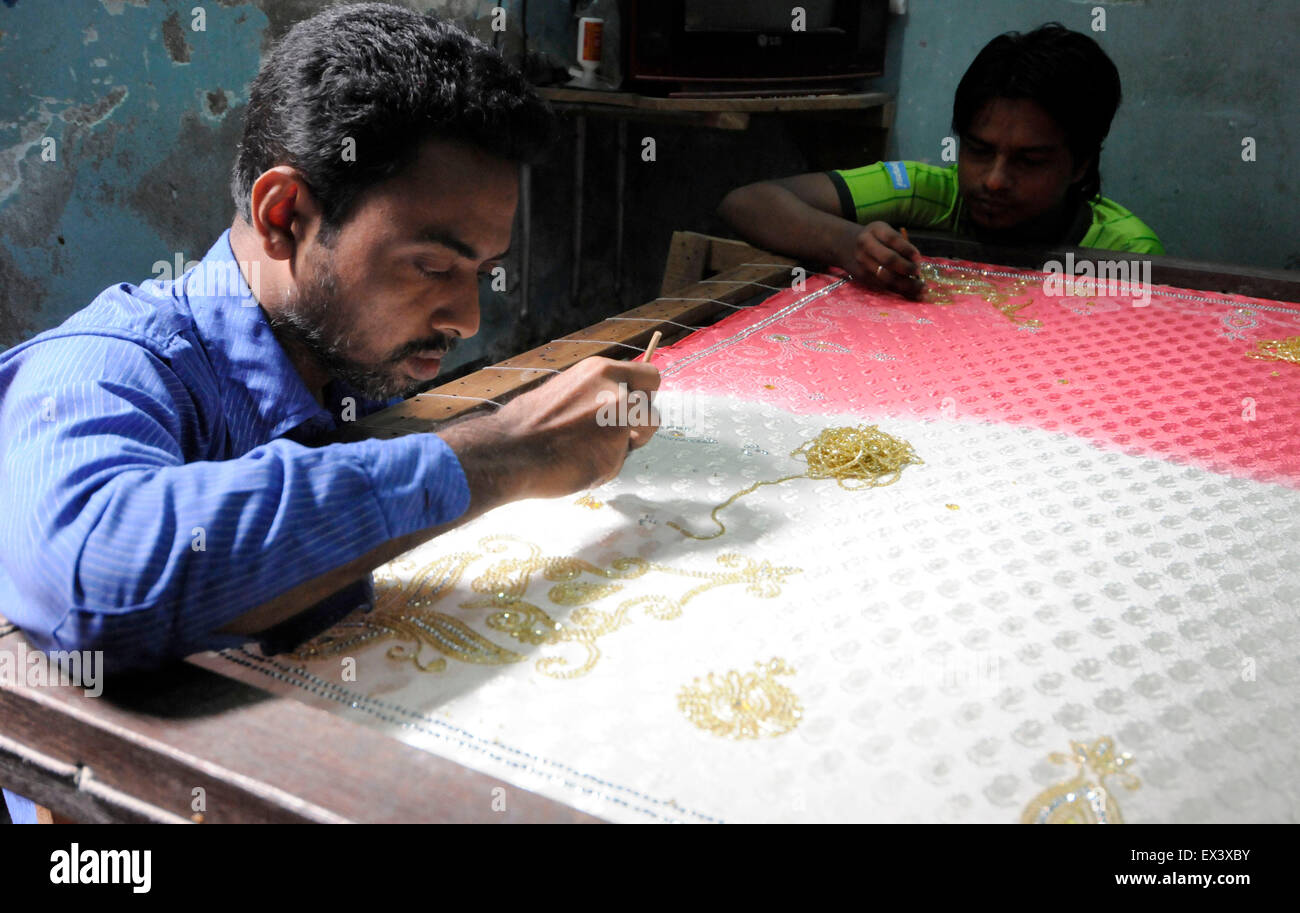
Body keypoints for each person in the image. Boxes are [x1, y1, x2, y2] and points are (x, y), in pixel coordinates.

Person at [0, 3, 660, 820]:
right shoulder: (105, 363)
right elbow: (98, 574)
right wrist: (503, 451)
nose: (467, 320)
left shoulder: (340, 367)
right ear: (285, 216)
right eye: (431, 266)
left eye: (481, 271)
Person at [718, 23, 1164, 300]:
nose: (993, 181)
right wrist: (847, 243)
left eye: (1029, 161)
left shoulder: (1127, 252)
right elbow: (748, 202)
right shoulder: (925, 191)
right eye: (978, 150)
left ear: (1082, 164)